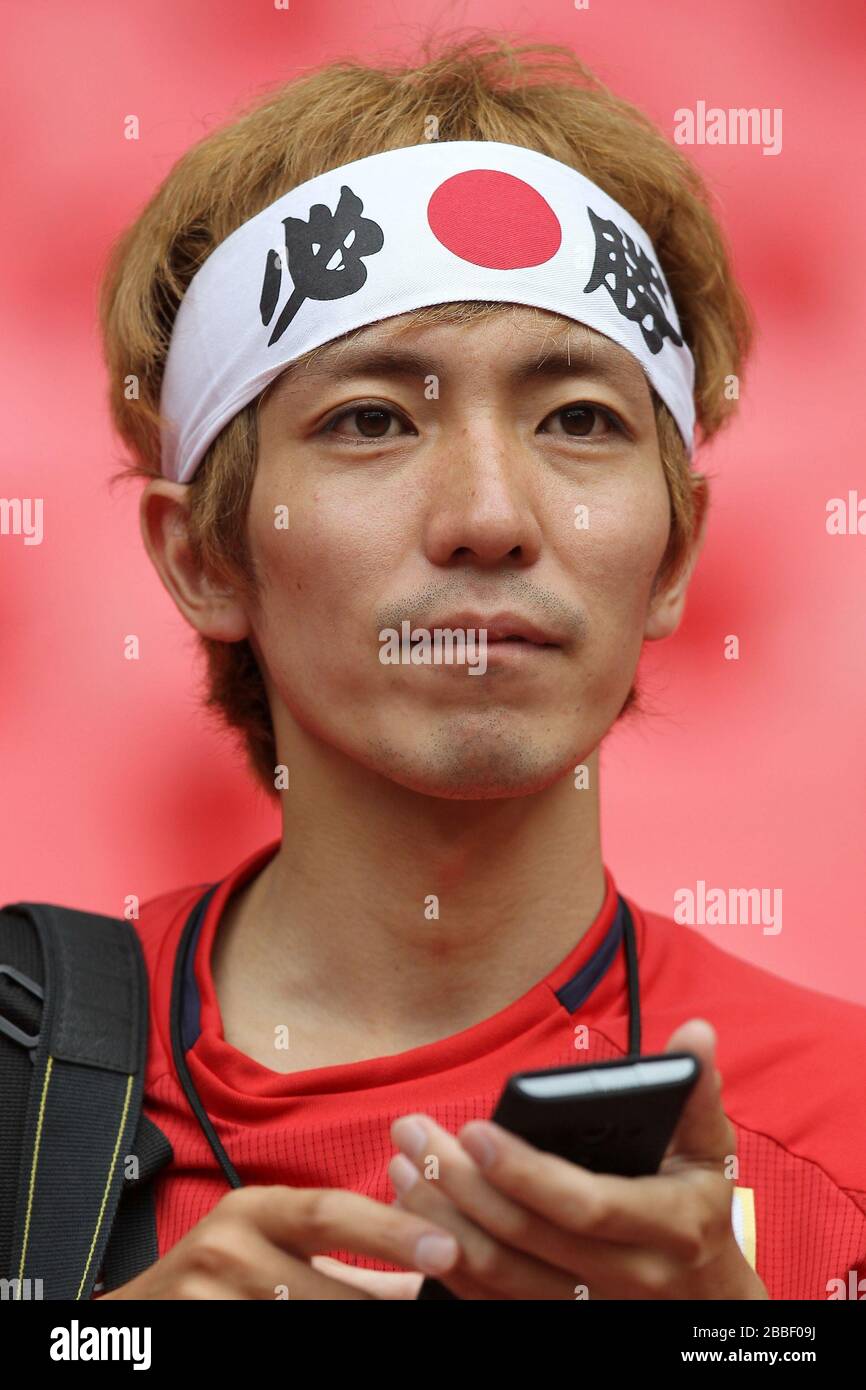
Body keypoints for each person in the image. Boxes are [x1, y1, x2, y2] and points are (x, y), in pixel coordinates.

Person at [94, 35, 865, 1300]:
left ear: (673, 558)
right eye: (370, 420)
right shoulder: (32, 1082)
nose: (490, 514)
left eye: (578, 419)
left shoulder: (834, 1130)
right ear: (204, 558)